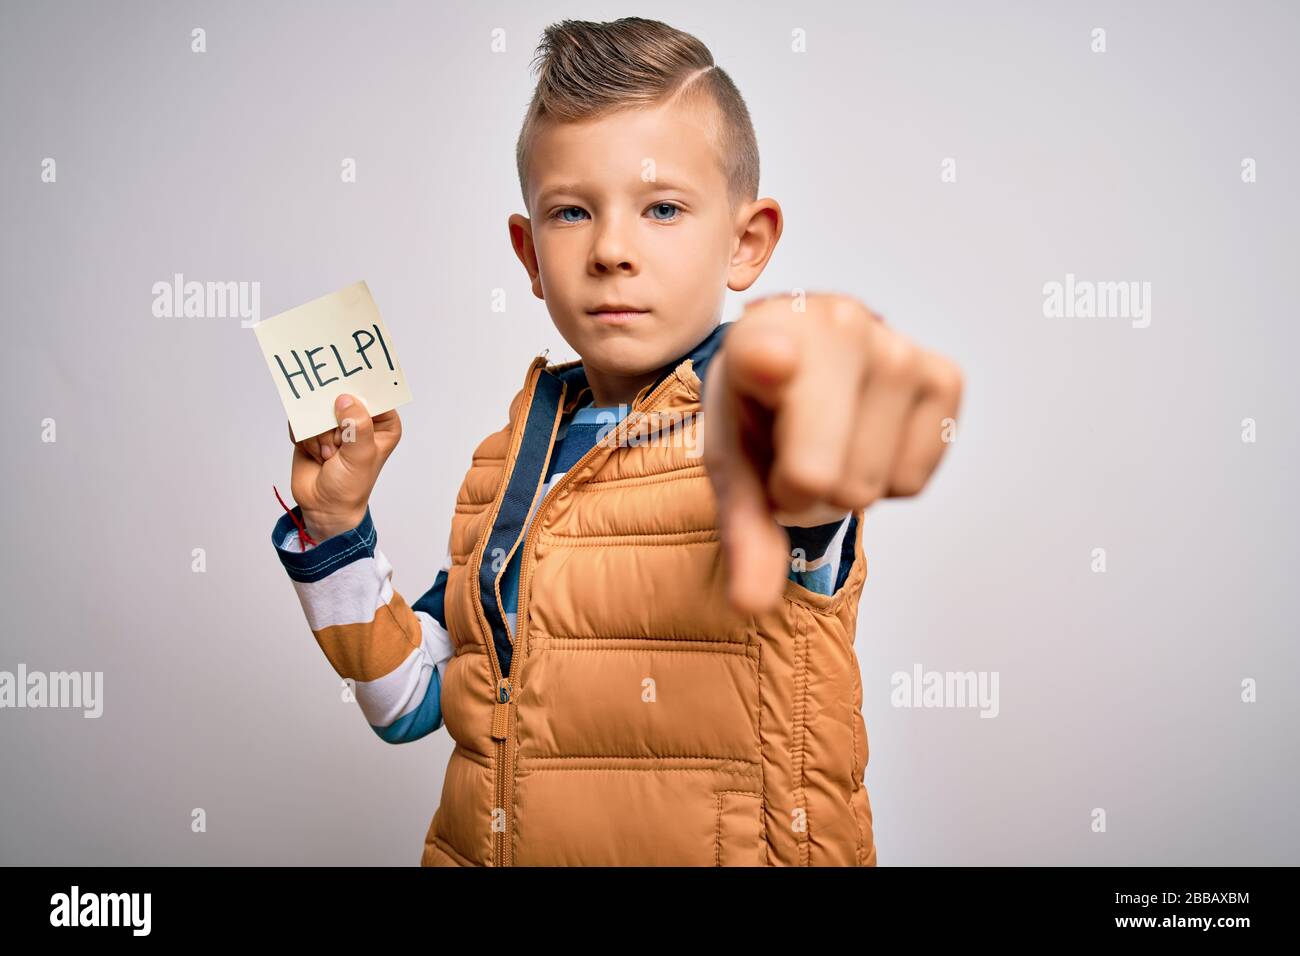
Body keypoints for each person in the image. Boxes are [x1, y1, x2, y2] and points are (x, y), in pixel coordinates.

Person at [271, 17, 962, 866]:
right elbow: (403, 700)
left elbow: (809, 485)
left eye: (663, 208)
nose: (610, 250)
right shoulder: (506, 463)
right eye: (571, 212)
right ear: (529, 254)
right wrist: (337, 531)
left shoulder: (756, 430)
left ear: (746, 243)